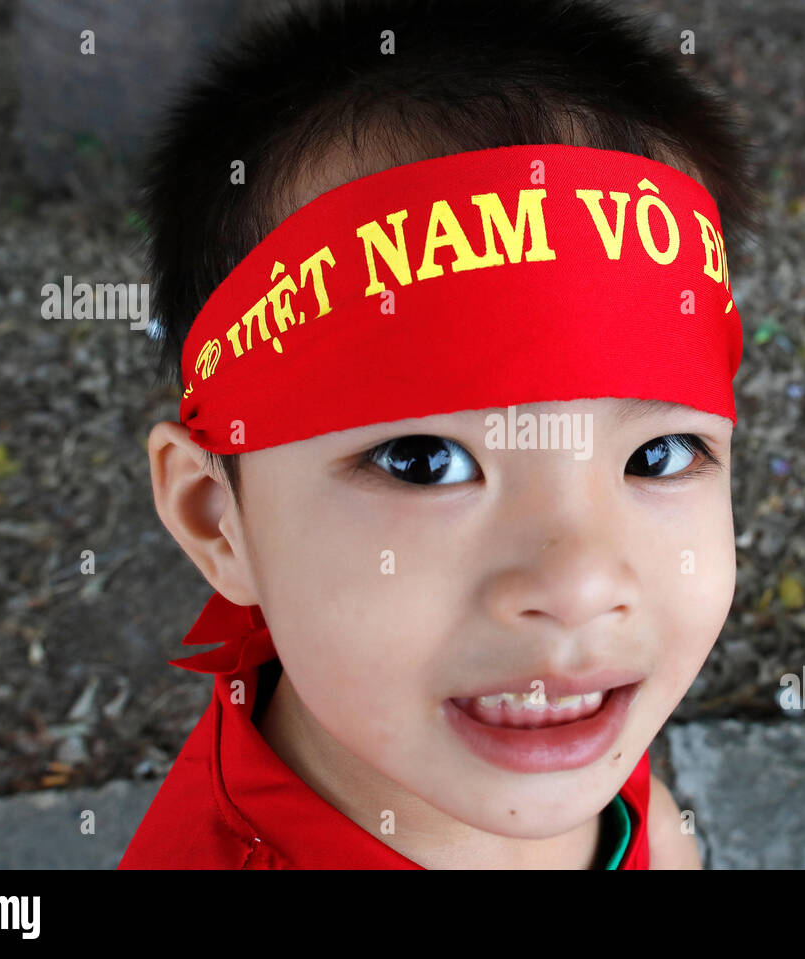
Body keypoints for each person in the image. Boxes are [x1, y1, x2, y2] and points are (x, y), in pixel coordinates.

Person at [119, 0, 759, 869]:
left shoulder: (555, 714)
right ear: (215, 516)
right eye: (425, 463)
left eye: (658, 455)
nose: (578, 584)